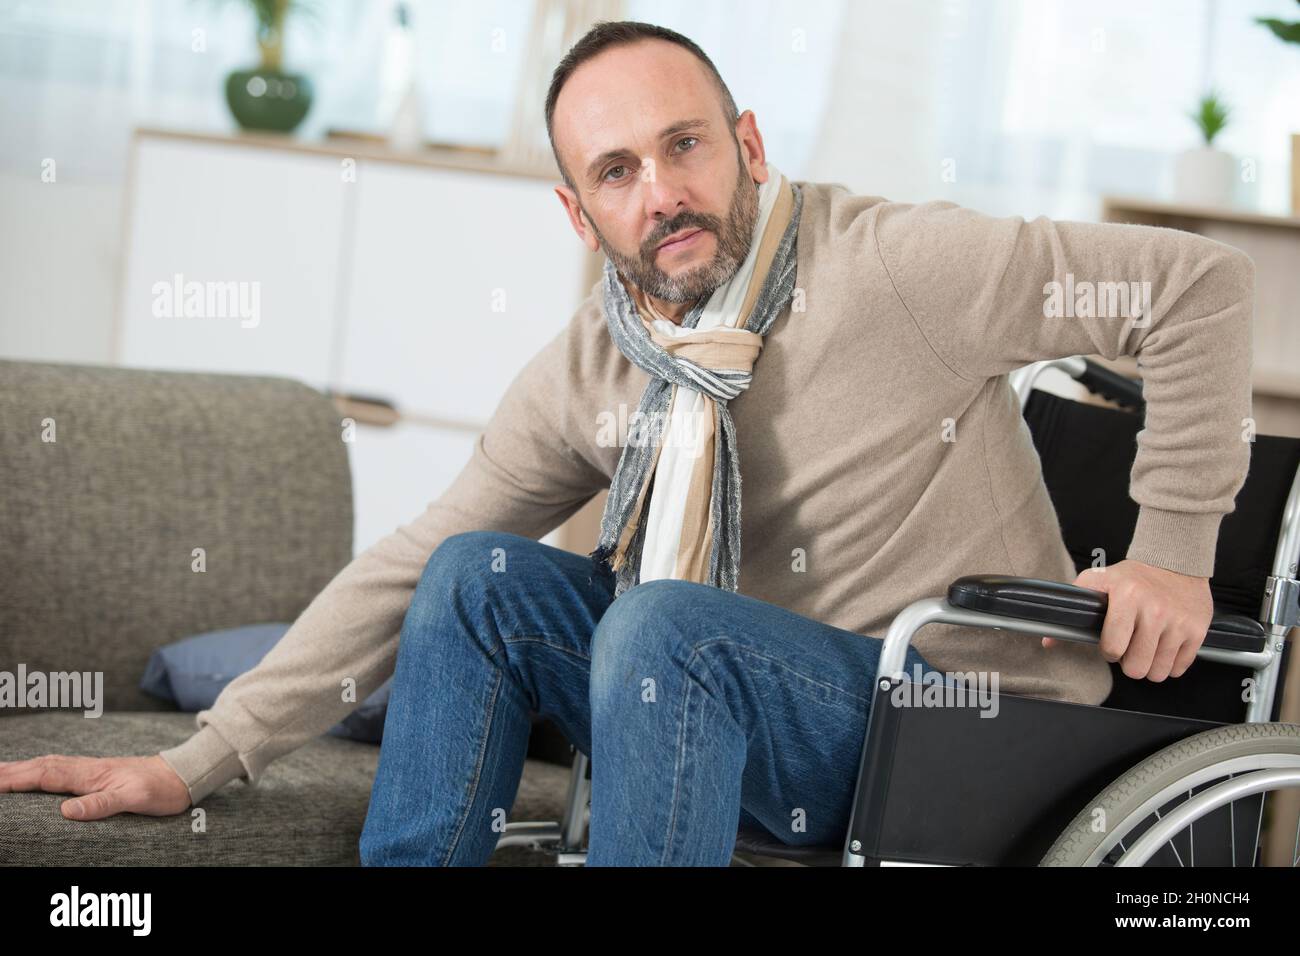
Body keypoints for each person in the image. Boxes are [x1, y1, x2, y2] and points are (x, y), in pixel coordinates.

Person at [0, 20, 1253, 866]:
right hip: (741, 696)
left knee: (659, 622)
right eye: (616, 170)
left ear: (747, 144)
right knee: (477, 578)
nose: (660, 192)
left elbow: (1193, 289)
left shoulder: (897, 265)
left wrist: (1174, 547)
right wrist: (201, 757)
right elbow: (422, 548)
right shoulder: (602, 362)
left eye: (684, 145)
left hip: (960, 718)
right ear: (576, 208)